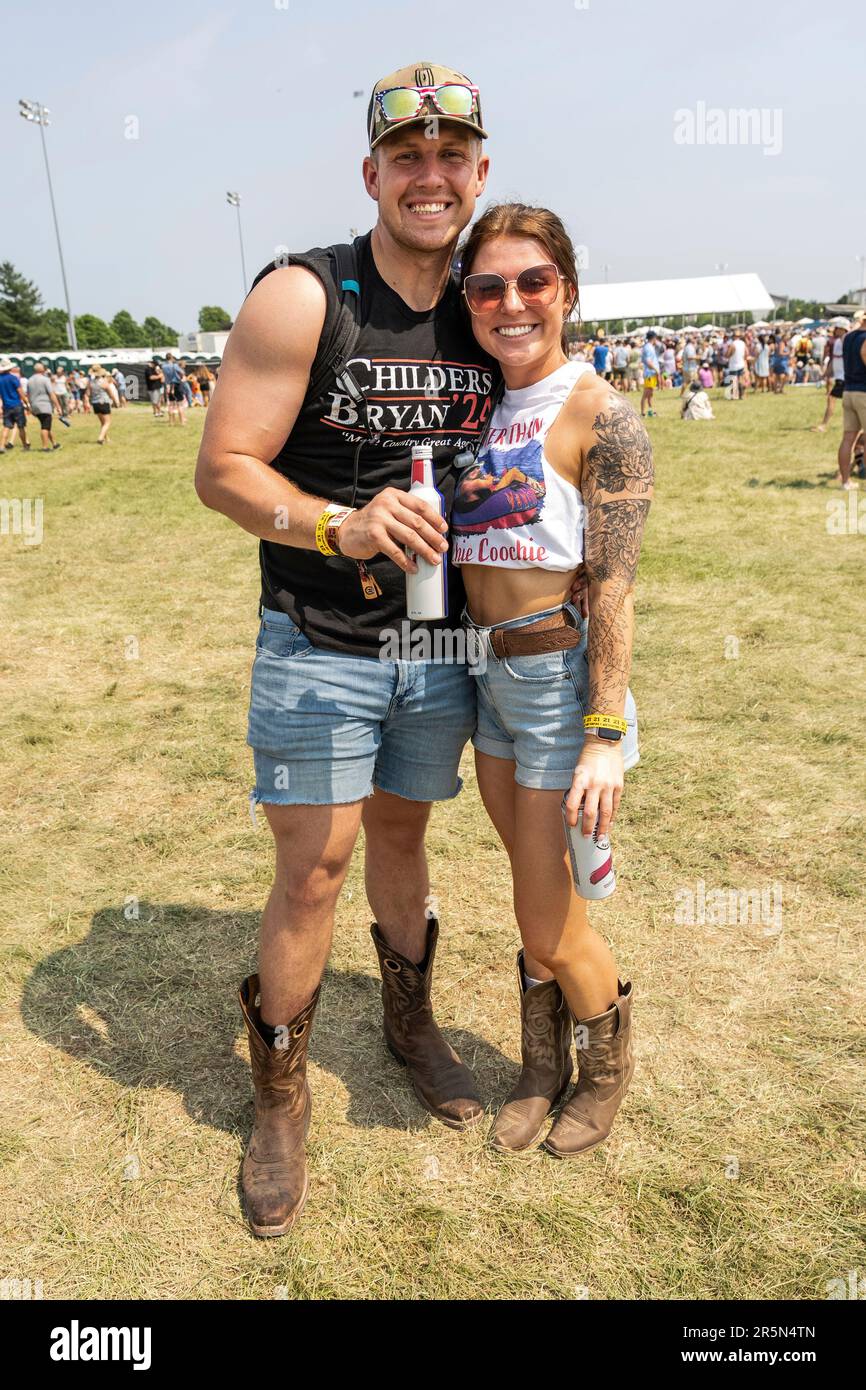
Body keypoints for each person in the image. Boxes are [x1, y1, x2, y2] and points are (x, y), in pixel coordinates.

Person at [196, 60, 527, 1237]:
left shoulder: (491, 305)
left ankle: (404, 1020)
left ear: (477, 170)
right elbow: (223, 470)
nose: (429, 177)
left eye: (452, 156)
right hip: (318, 634)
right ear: (372, 172)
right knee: (313, 868)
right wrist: (339, 523)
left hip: (439, 642)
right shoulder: (303, 293)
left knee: (402, 835)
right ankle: (278, 1094)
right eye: (408, 157)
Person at [454, 202, 650, 1156]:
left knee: (546, 910)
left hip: (558, 685)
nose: (512, 302)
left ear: (567, 290)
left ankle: (604, 1061)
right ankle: (541, 1066)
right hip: (484, 682)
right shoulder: (476, 401)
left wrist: (603, 737)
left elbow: (612, 588)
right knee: (538, 896)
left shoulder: (601, 415)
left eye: (534, 281)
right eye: (488, 286)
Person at [837, 310, 866, 489]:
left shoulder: (847, 337)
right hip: (864, 392)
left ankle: (846, 481)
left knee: (848, 439)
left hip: (849, 391)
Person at [814, 325, 846, 432]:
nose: (835, 330)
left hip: (845, 377)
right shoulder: (837, 342)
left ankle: (824, 425)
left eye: (838, 328)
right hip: (840, 377)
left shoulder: (845, 340)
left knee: (832, 399)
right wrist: (825, 374)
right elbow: (834, 360)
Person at [26, 363, 61, 452]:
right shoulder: (45, 379)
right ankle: (45, 447)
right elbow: (51, 393)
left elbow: (28, 395)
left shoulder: (29, 380)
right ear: (43, 370)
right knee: (45, 426)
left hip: (35, 405)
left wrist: (30, 406)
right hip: (44, 405)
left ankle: (54, 443)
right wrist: (58, 406)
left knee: (45, 424)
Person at [0, 357, 31, 451]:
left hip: (6, 406)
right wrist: (27, 403)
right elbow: (20, 392)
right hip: (17, 405)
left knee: (6, 426)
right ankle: (25, 446)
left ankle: (1, 446)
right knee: (21, 426)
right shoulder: (13, 378)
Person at [86, 366, 118, 443]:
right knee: (107, 422)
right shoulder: (104, 382)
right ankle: (100, 438)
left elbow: (88, 394)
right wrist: (115, 402)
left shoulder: (90, 382)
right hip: (103, 402)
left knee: (103, 423)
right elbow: (111, 394)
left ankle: (106, 439)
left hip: (95, 403)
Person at [640, 330, 661, 417]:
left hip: (651, 373)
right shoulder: (648, 347)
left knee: (650, 394)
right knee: (646, 393)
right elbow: (648, 361)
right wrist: (656, 369)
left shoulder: (649, 346)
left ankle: (650, 411)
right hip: (649, 373)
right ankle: (643, 412)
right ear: (654, 337)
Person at [162, 353, 186, 425]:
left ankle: (171, 422)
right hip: (176, 385)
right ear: (171, 358)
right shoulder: (174, 365)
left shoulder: (163, 366)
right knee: (180, 404)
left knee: (171, 404)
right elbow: (182, 372)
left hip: (168, 385)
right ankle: (182, 422)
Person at [726, 330, 747, 400]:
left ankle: (735, 395)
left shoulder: (733, 344)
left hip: (733, 365)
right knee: (740, 380)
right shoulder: (743, 343)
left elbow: (728, 354)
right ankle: (742, 395)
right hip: (741, 364)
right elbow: (746, 353)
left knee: (734, 381)